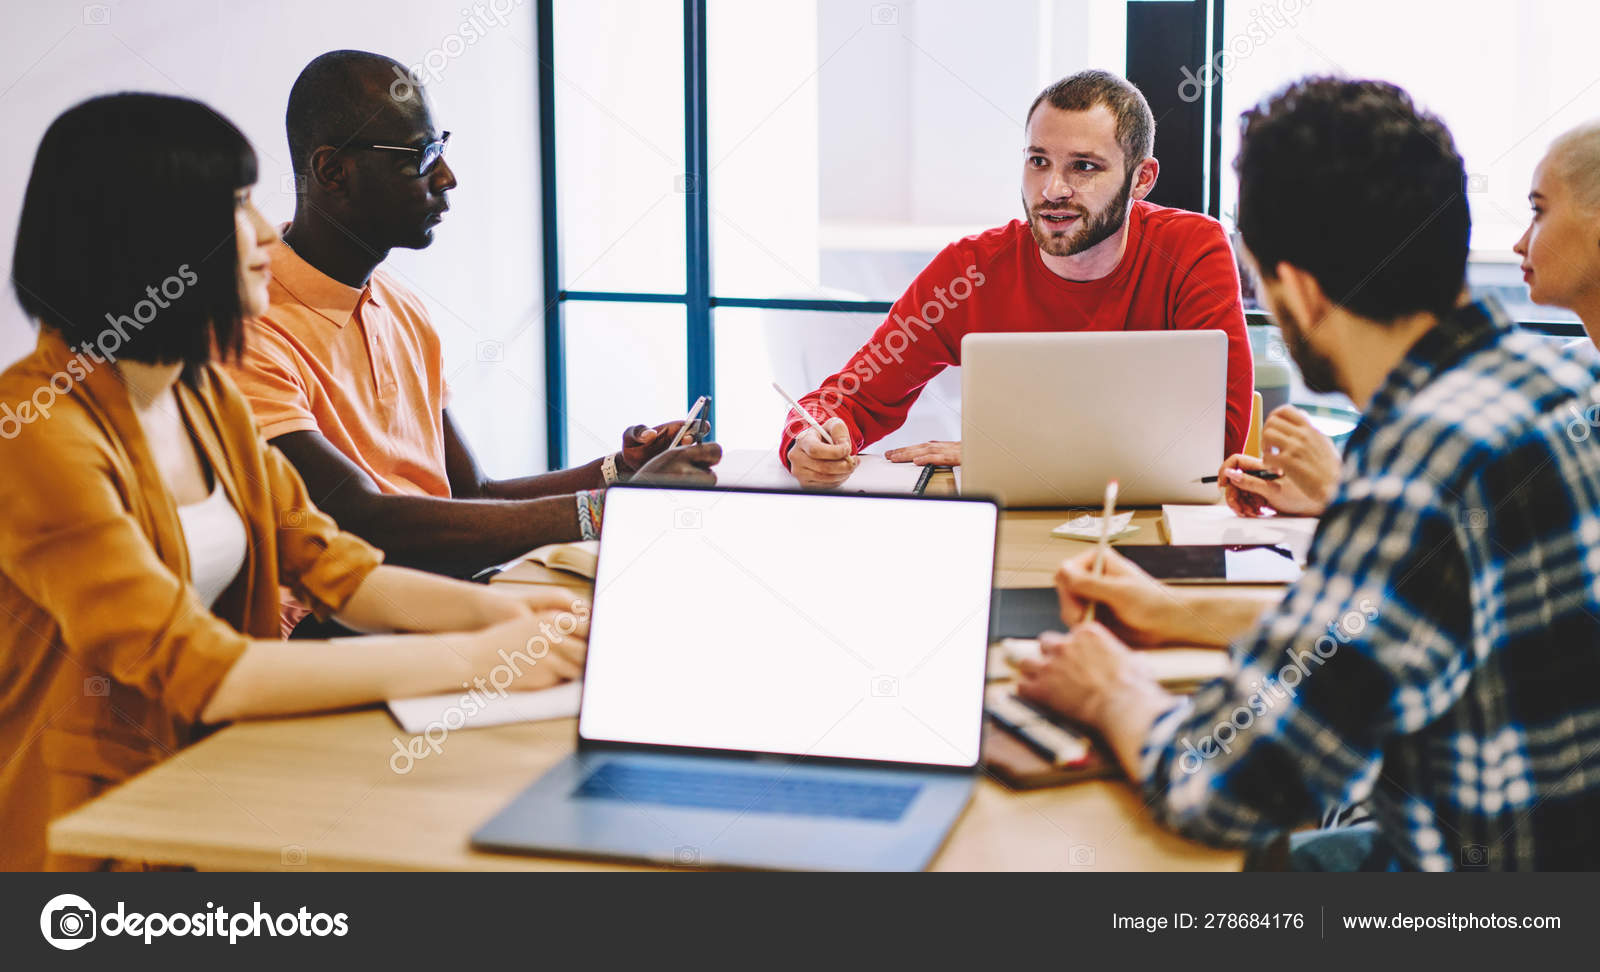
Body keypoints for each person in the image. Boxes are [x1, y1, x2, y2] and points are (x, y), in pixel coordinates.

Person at [1017, 77, 1600, 870]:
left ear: (1295, 289)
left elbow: (1228, 786)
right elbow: (1382, 629)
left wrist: (1109, 690)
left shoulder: (1418, 465)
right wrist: (1170, 612)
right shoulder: (1564, 383)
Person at [0, 93, 589, 871]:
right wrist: (479, 657)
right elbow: (196, 665)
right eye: (235, 206)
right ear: (141, 239)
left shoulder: (203, 394)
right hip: (86, 830)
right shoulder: (35, 431)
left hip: (215, 778)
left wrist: (508, 616)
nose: (263, 231)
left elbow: (337, 568)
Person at [224, 50, 719, 590]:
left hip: (446, 592)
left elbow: (473, 495)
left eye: (441, 148)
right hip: (339, 617)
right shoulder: (248, 331)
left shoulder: (400, 305)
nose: (447, 177)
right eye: (422, 156)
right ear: (333, 172)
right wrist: (606, 510)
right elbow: (362, 521)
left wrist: (620, 471)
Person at [781, 69, 1254, 487]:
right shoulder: (968, 271)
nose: (1052, 189)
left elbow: (1219, 440)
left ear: (1141, 178)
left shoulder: (1192, 249)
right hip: (1004, 530)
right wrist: (808, 438)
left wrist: (1016, 457)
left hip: (1150, 528)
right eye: (1038, 161)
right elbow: (849, 398)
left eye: (1083, 167)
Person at [1221, 117, 1600, 519]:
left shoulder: (1458, 423)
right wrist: (1342, 496)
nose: (1519, 244)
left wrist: (1351, 492)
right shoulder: (1569, 376)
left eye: (1539, 211)